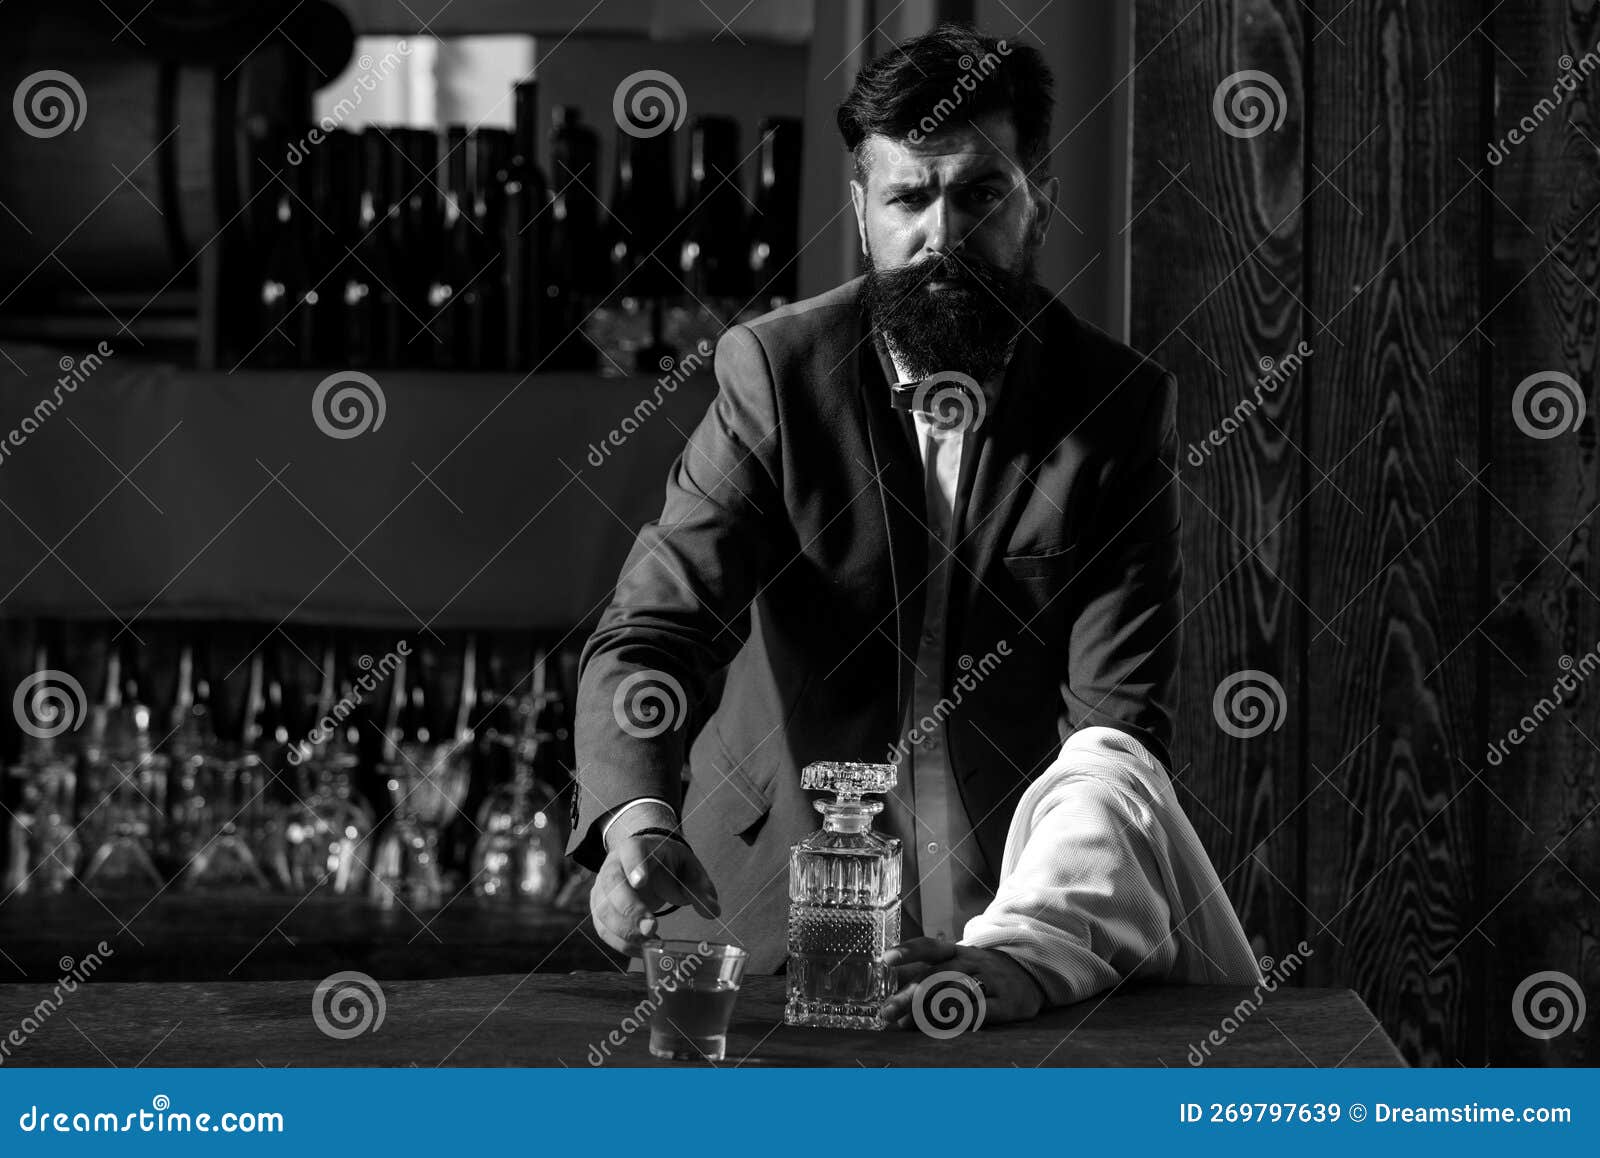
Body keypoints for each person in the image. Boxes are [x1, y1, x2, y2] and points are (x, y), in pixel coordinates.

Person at [567, 22, 1259, 1026]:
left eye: (979, 194)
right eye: (908, 198)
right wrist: (635, 814)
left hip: (1006, 930)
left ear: (1039, 203)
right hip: (761, 913)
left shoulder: (1116, 409)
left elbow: (1115, 733)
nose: (942, 236)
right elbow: (655, 631)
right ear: (861, 214)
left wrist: (1029, 950)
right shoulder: (775, 375)